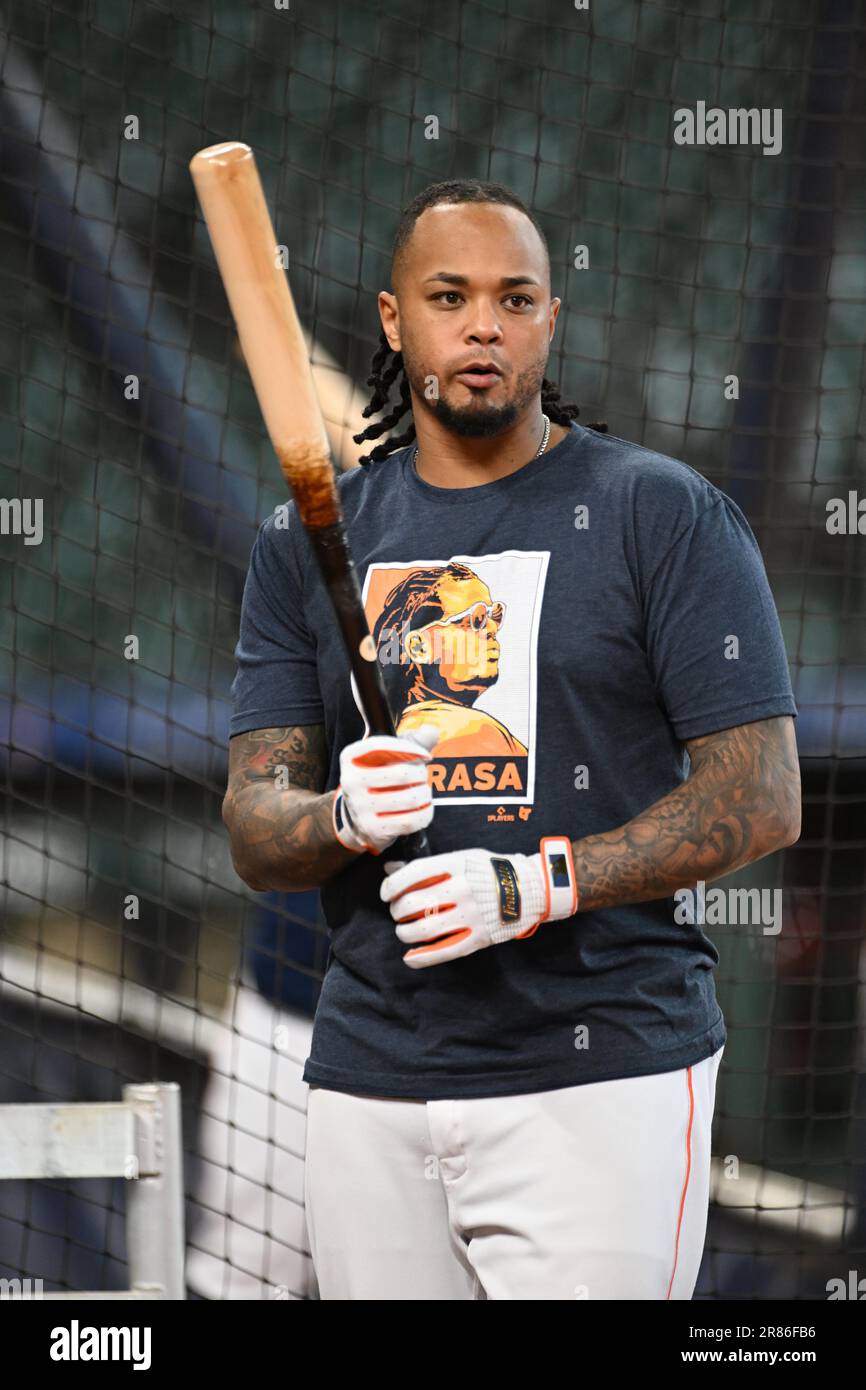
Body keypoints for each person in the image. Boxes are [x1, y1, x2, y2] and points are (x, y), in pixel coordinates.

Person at [221, 178, 800, 1300]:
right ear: (394, 321)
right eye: (448, 295)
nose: (481, 323)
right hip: (371, 1076)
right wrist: (334, 815)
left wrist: (539, 883)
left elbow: (759, 794)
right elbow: (255, 825)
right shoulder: (306, 543)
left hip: (600, 1077)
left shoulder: (657, 514)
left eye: (513, 297)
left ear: (549, 320)